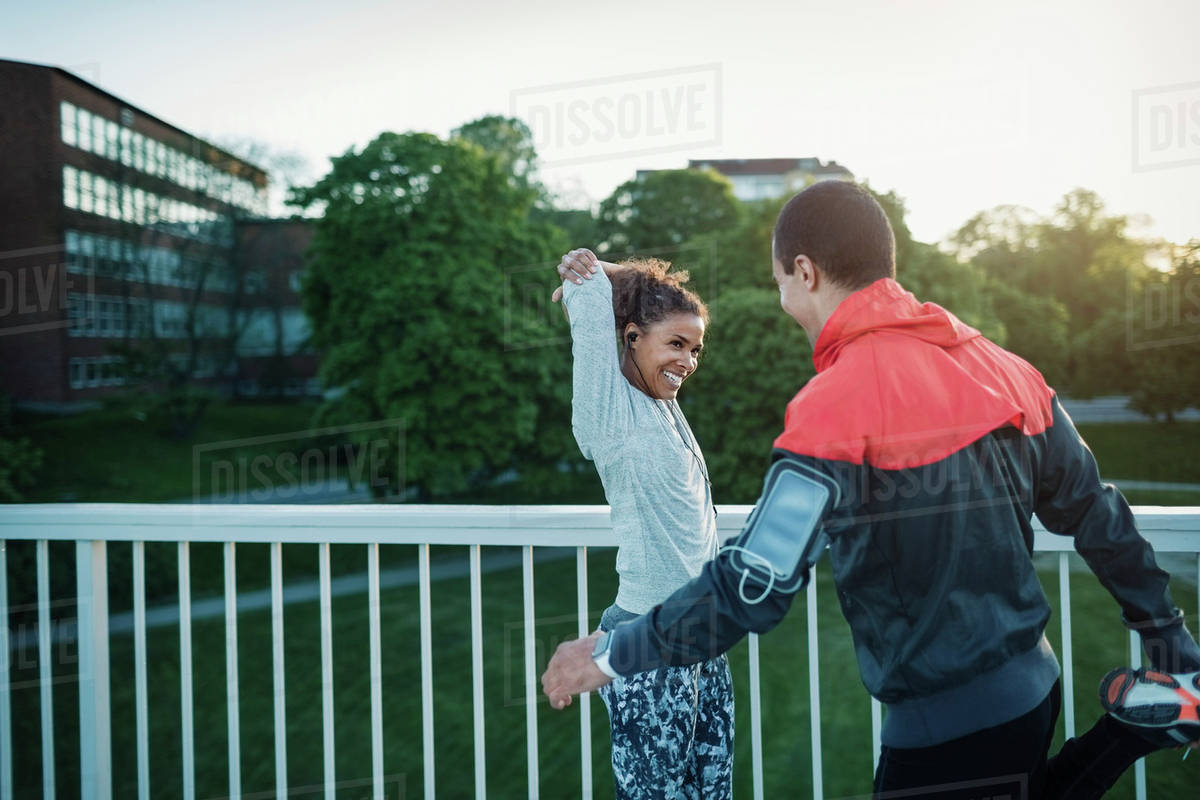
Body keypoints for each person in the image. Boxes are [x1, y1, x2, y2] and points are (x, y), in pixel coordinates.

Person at [542, 181, 1200, 799]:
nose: (786, 305)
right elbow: (1095, 510)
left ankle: (1135, 729)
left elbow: (756, 585)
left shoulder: (832, 410)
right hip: (1035, 688)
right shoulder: (1007, 368)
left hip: (942, 735)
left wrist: (614, 651)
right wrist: (1166, 636)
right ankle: (1136, 727)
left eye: (781, 286)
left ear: (805, 272)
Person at [551, 253, 734, 799]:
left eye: (695, 348)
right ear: (630, 338)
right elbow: (584, 296)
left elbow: (634, 292)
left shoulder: (663, 404)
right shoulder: (610, 414)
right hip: (649, 646)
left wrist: (619, 270)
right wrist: (590, 275)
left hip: (705, 641)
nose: (688, 360)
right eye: (675, 344)